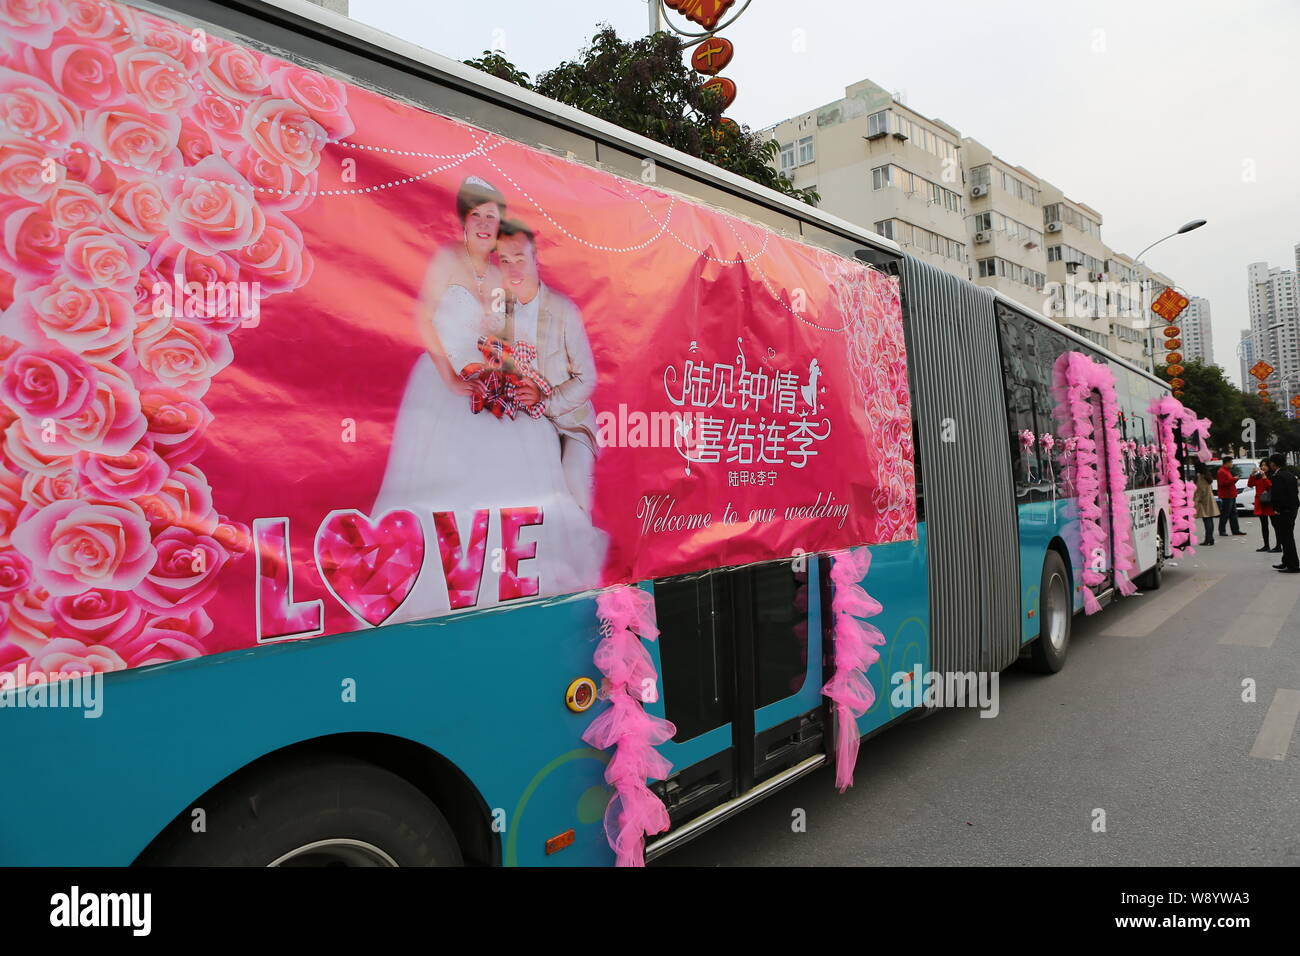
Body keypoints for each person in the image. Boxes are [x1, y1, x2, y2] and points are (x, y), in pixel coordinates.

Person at [374, 176, 608, 619]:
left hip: (491, 382)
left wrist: (504, 374)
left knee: (526, 458)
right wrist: (451, 376)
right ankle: (442, 578)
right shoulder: (446, 259)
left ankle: (510, 572)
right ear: (464, 221)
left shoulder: (505, 272)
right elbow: (424, 318)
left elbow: (510, 338)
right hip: (444, 381)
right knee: (445, 477)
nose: (484, 223)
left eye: (491, 216)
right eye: (476, 215)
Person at [495, 219, 599, 514]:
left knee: (574, 483)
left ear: (535, 259)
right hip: (516, 421)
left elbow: (587, 379)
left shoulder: (564, 310)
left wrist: (545, 401)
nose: (513, 269)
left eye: (520, 259)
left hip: (568, 424)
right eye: (504, 260)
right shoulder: (499, 311)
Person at [1267, 454, 1299, 573]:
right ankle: (1286, 561)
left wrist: (1277, 509)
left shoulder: (1278, 476)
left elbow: (1278, 495)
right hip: (1292, 508)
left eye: (1270, 463)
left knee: (1286, 538)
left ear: (1274, 464)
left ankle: (1293, 565)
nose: (1270, 465)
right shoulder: (1290, 475)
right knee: (1286, 536)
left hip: (1284, 510)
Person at [1247, 458, 1276, 552]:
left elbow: (1270, 486)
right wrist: (1252, 475)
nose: (1263, 467)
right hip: (1261, 502)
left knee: (1275, 525)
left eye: (1265, 465)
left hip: (1270, 502)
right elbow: (1250, 484)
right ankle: (1266, 545)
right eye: (1262, 465)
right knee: (1264, 525)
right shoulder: (1258, 476)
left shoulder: (1272, 475)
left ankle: (1279, 545)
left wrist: (1265, 478)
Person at [1216, 455, 1245, 536]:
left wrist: (1235, 479)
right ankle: (1222, 530)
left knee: (1233, 513)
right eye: (1231, 462)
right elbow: (1222, 484)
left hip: (1231, 494)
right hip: (1226, 496)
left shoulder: (1227, 471)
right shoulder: (1221, 471)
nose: (1232, 464)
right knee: (1225, 514)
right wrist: (1234, 479)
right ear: (1227, 463)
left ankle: (1235, 530)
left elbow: (1229, 482)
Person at [1193, 462, 1218, 546]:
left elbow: (1201, 490)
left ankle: (1208, 539)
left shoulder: (1201, 477)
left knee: (1206, 520)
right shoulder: (1207, 476)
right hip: (1209, 499)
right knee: (1209, 519)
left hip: (1203, 501)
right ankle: (1210, 538)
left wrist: (1196, 501)